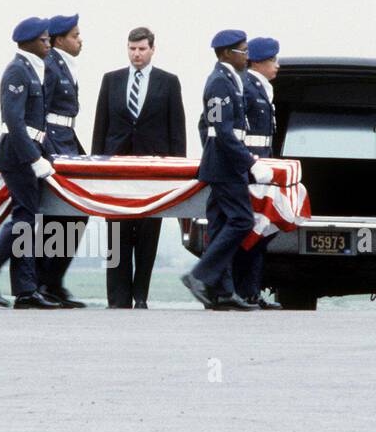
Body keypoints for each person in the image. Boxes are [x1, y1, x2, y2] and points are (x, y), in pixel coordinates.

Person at [0, 18, 61, 309]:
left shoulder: (33, 70)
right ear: (29, 42)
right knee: (23, 220)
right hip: (18, 153)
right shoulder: (18, 70)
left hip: (29, 150)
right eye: (43, 39)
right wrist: (33, 159)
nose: (48, 43)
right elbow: (13, 121)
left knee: (26, 221)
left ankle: (25, 291)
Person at [91, 27, 186, 308]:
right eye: (132, 48)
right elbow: (100, 128)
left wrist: (177, 173)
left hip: (153, 174)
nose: (137, 54)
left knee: (147, 234)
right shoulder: (111, 80)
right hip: (116, 172)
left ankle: (140, 295)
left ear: (153, 49)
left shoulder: (168, 82)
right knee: (116, 235)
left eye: (142, 49)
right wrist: (96, 170)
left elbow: (177, 130)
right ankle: (117, 299)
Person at [181, 30, 273, 310]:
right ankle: (199, 275)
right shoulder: (219, 83)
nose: (247, 55)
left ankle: (222, 291)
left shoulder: (230, 81)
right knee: (242, 221)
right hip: (225, 166)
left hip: (226, 163)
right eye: (242, 51)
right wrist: (250, 163)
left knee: (221, 224)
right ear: (225, 54)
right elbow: (220, 131)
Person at [37, 14, 87, 307]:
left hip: (68, 140)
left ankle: (53, 282)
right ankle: (47, 282)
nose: (80, 40)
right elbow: (42, 111)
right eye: (75, 35)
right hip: (55, 143)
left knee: (74, 213)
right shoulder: (50, 66)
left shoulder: (64, 65)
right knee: (59, 215)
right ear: (58, 41)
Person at [232, 37, 282, 309]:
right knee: (249, 233)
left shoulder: (261, 88)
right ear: (258, 62)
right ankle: (242, 290)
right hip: (250, 170)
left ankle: (250, 291)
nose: (277, 65)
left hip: (263, 169)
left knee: (261, 231)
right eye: (272, 60)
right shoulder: (247, 88)